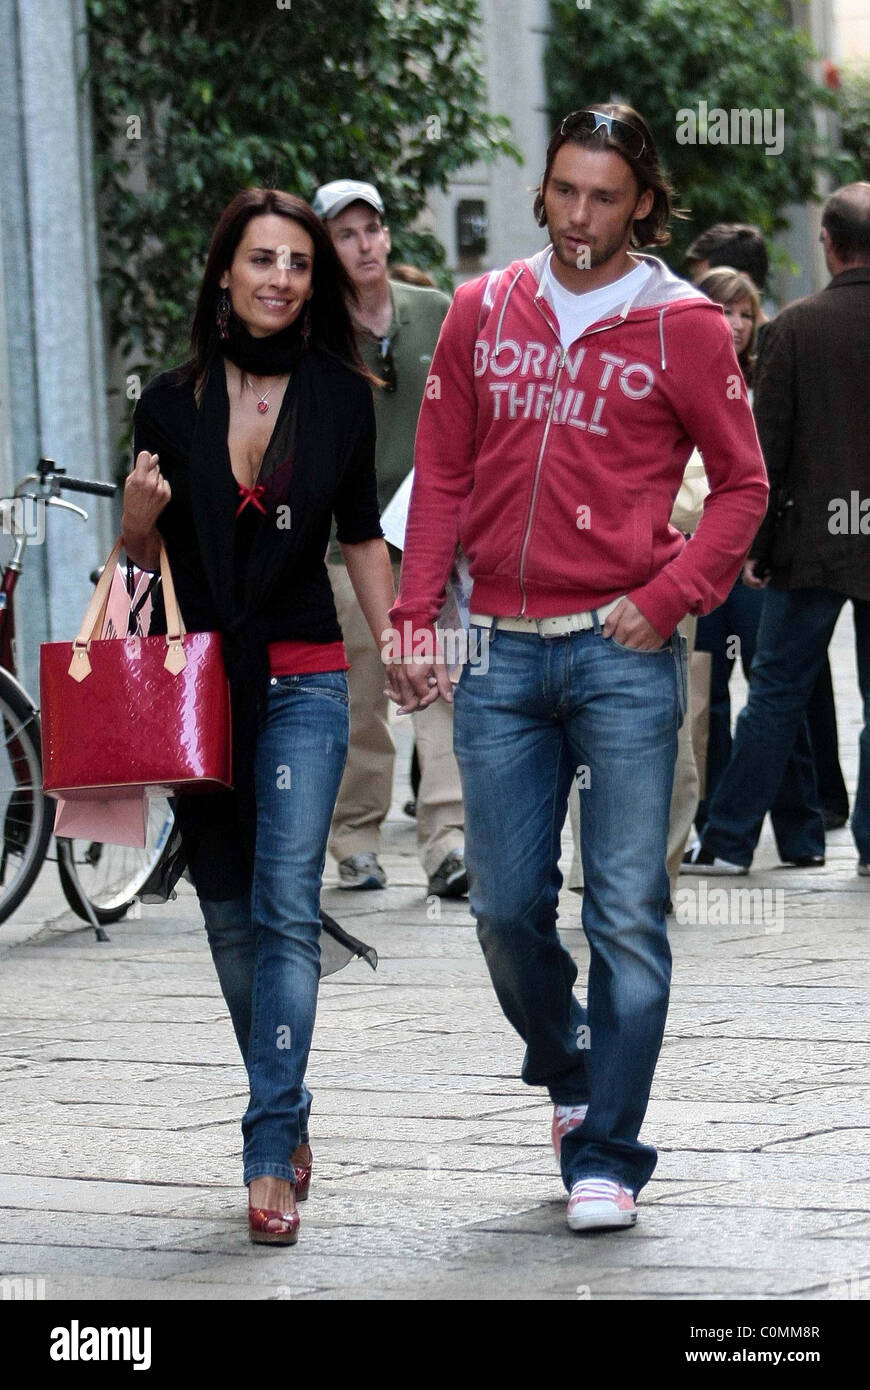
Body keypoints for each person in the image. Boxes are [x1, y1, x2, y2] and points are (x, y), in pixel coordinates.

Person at [386, 104, 768, 1232]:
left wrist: (668, 599)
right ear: (542, 191)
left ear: (642, 202)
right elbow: (442, 466)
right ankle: (570, 1065)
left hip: (622, 653)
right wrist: (418, 617)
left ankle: (608, 1149)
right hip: (498, 652)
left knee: (628, 914)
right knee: (505, 907)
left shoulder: (687, 325)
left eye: (606, 196)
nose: (582, 216)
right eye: (565, 192)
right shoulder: (481, 310)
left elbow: (742, 485)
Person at [122, 188, 399, 1245]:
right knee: (230, 917)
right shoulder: (167, 401)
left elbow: (363, 534)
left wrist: (405, 643)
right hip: (200, 692)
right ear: (225, 274)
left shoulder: (342, 393)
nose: (280, 277)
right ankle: (291, 1105)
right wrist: (138, 527)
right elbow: (138, 582)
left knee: (284, 906)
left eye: (296, 262)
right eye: (261, 260)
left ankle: (264, 1141)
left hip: (305, 679)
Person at [682, 182, 870, 878]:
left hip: (810, 544)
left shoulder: (796, 326)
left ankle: (729, 841)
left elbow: (770, 449)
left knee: (775, 694)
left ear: (827, 243)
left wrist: (753, 548)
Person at [312, 178, 467, 898]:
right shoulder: (313, 335)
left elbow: (477, 410)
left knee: (441, 684)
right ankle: (356, 838)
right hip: (348, 543)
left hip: (433, 536)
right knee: (363, 694)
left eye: (372, 228)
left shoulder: (437, 313)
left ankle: (447, 844)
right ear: (325, 248)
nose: (365, 243)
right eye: (346, 234)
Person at [684, 268, 823, 870]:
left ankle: (802, 831)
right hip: (695, 553)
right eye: (725, 311)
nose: (737, 324)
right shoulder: (682, 372)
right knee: (705, 695)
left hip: (750, 559)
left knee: (772, 692)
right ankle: (711, 823)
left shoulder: (772, 371)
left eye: (745, 313)